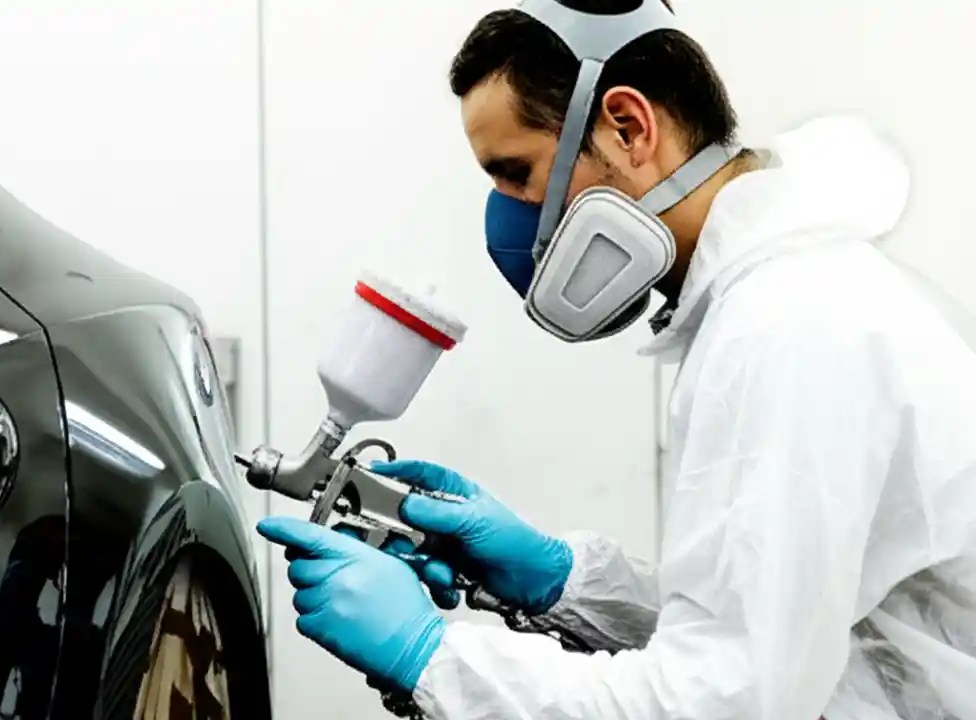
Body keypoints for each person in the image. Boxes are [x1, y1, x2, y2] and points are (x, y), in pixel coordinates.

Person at [255, 1, 976, 718]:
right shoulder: (783, 299)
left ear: (629, 127)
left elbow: (724, 701)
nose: (508, 217)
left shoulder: (787, 329)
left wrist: (432, 655)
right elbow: (766, 632)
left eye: (516, 173)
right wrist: (558, 580)